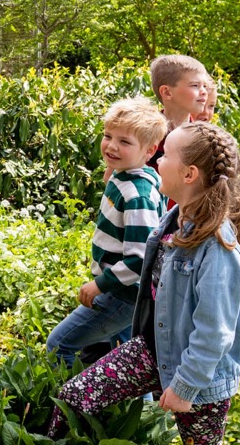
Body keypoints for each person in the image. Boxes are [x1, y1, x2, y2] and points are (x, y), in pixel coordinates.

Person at [47, 122, 240, 445]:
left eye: (165, 157)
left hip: (199, 380)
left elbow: (215, 333)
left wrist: (184, 388)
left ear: (189, 174)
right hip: (152, 351)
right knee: (74, 397)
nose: (157, 162)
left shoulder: (218, 247)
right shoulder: (176, 217)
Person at [45, 98, 168, 364]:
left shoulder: (138, 196)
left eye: (124, 142)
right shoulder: (132, 174)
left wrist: (100, 284)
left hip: (122, 292)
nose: (111, 146)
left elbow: (139, 259)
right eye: (108, 136)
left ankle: (58, 403)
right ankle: (139, 407)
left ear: (150, 151)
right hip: (126, 290)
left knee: (59, 345)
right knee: (127, 356)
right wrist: (115, 166)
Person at [147, 54, 211, 165]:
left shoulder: (203, 138)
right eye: (195, 85)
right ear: (167, 92)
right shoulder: (144, 134)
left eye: (204, 86)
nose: (204, 91)